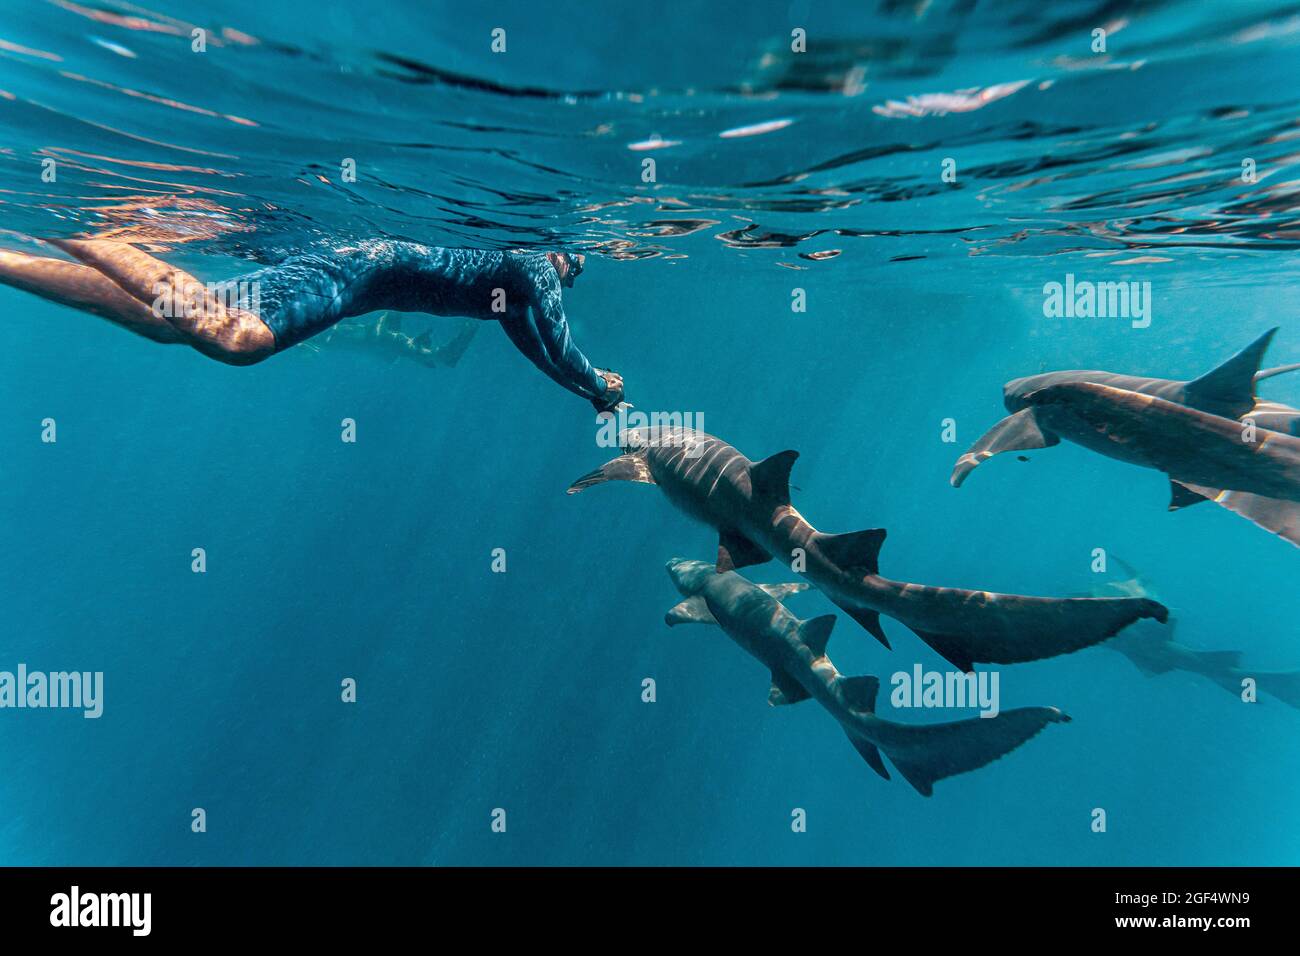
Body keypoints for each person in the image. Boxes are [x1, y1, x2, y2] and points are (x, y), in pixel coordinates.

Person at [0, 238, 625, 411]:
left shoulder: (511, 298)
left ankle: (14, 261)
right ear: (565, 258)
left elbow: (544, 352)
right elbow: (564, 345)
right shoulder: (537, 268)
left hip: (351, 275)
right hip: (353, 270)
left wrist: (586, 393)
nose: (568, 283)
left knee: (168, 322)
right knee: (235, 339)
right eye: (574, 271)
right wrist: (597, 382)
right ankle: (87, 234)